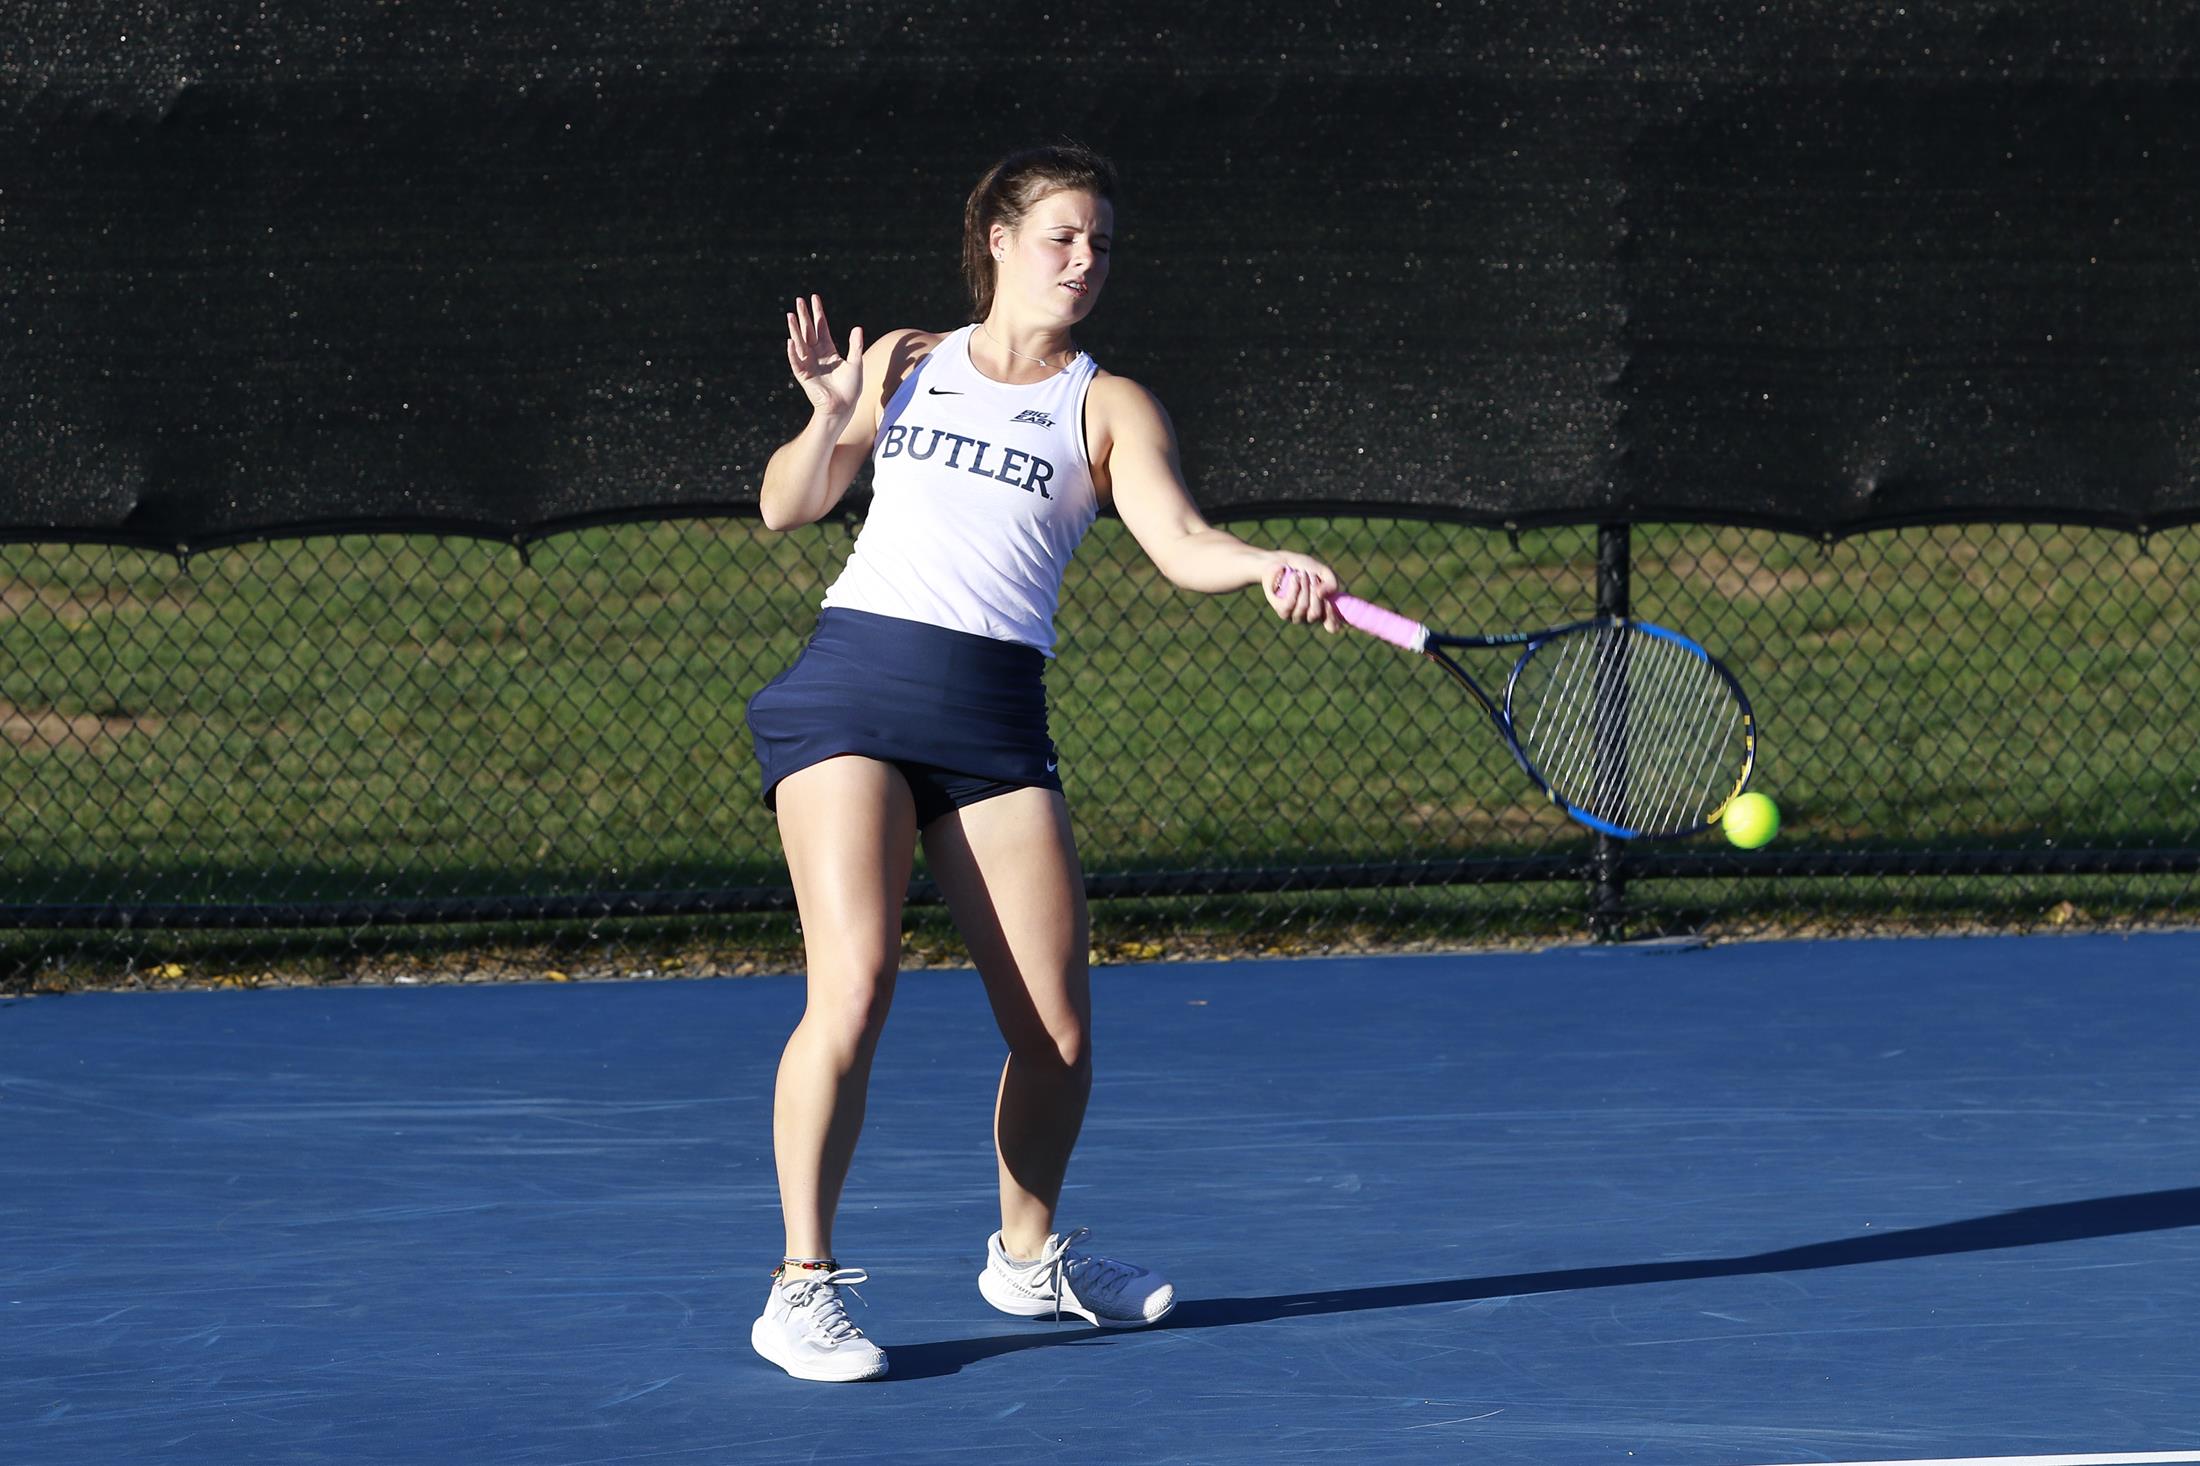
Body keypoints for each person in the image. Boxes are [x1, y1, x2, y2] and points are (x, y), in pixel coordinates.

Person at [744, 142, 1341, 1383]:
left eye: (1101, 243)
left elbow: (1179, 538)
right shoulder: (905, 360)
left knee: (1057, 1035)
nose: (1084, 259)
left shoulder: (1108, 405)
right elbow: (787, 505)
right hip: (853, 691)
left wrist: (1263, 564)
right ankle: (801, 1285)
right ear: (999, 241)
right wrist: (826, 412)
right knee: (853, 986)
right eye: (1063, 236)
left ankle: (1024, 1257)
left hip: (994, 719)